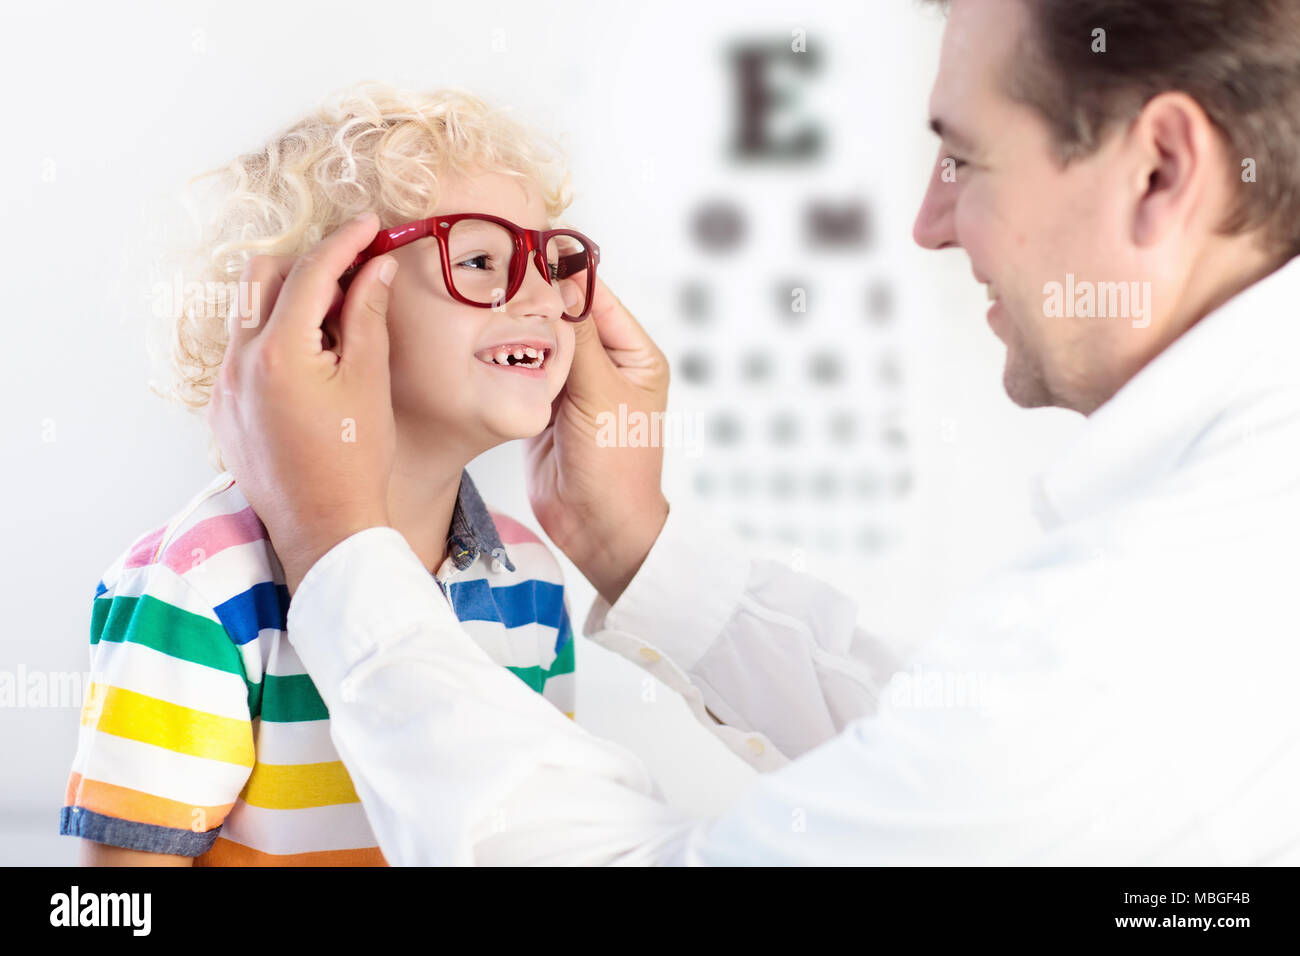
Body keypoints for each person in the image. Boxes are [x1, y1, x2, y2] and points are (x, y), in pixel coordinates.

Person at [208, 0, 1300, 864]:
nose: (925, 222)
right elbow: (948, 776)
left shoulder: (1170, 604)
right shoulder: (197, 584)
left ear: (1158, 170)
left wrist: (337, 553)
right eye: (483, 260)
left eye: (964, 157)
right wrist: (634, 542)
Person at [60, 83, 596, 865]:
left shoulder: (533, 581)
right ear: (325, 307)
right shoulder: (200, 587)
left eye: (550, 263)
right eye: (480, 259)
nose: (543, 297)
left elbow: (549, 840)